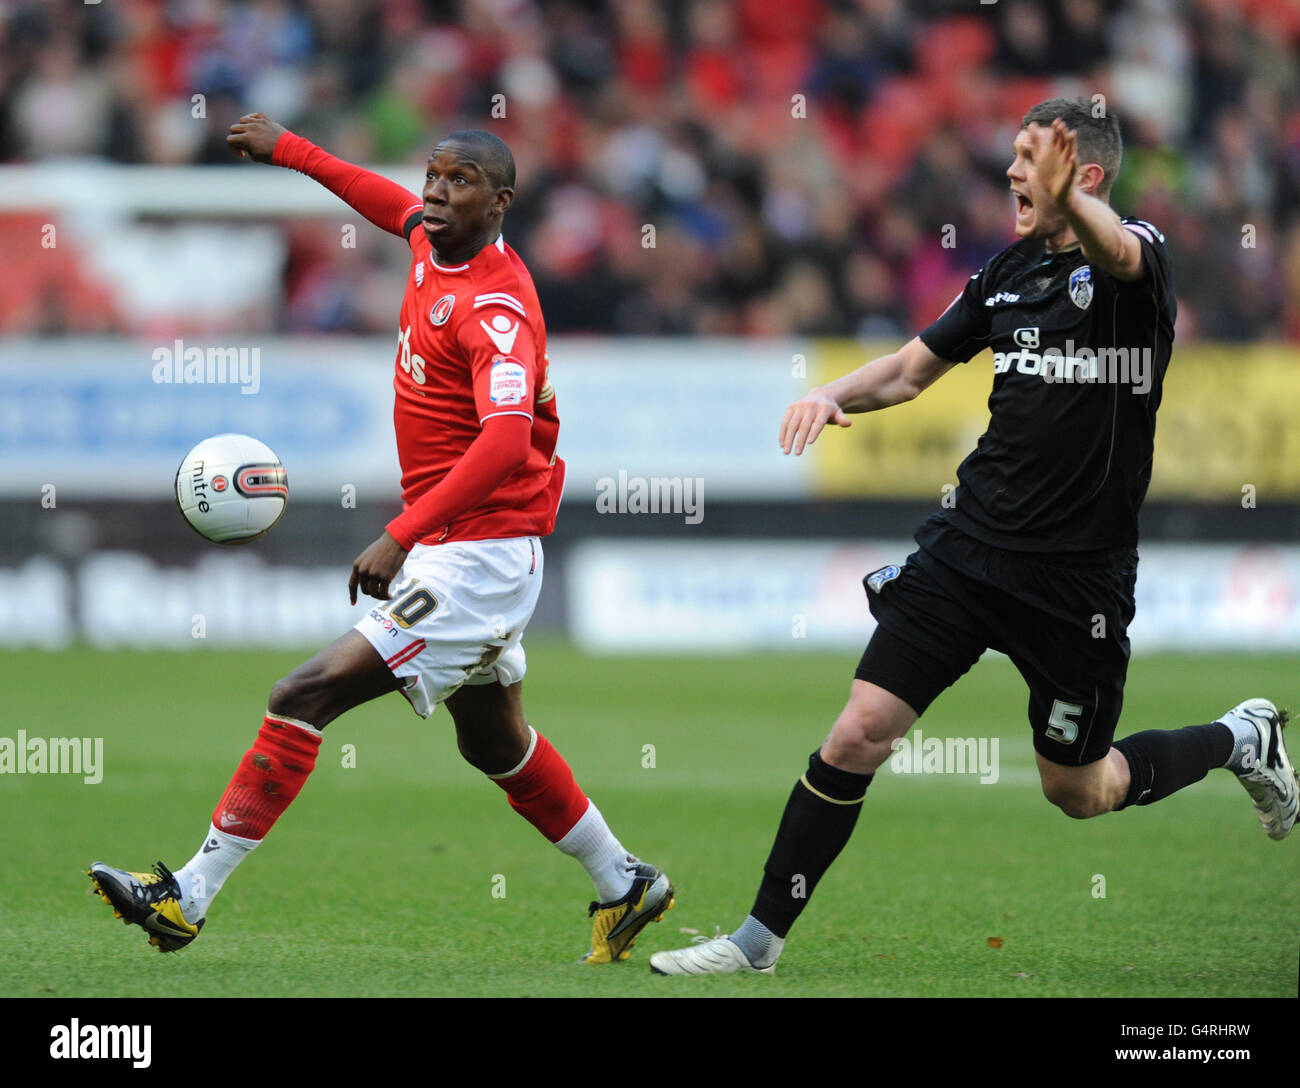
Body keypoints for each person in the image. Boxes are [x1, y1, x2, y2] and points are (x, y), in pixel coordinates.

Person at [649, 98, 1296, 977]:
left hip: (1078, 583)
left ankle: (1238, 740)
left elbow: (1118, 249)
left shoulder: (1136, 262)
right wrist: (831, 391)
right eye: (1016, 159)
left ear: (1085, 177)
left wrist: (1081, 210)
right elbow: (913, 370)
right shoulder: (1008, 273)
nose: (1012, 175)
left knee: (1080, 788)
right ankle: (756, 942)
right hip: (967, 550)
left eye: (1031, 160)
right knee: (857, 732)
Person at [89, 113, 673, 965]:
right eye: (434, 176)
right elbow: (376, 196)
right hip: (466, 547)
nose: (435, 193)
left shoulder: (496, 311)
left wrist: (402, 533)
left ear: (500, 202)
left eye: (460, 181)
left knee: (304, 693)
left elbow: (507, 441)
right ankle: (626, 883)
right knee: (492, 739)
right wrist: (289, 149)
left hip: (477, 555)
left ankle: (187, 897)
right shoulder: (431, 242)